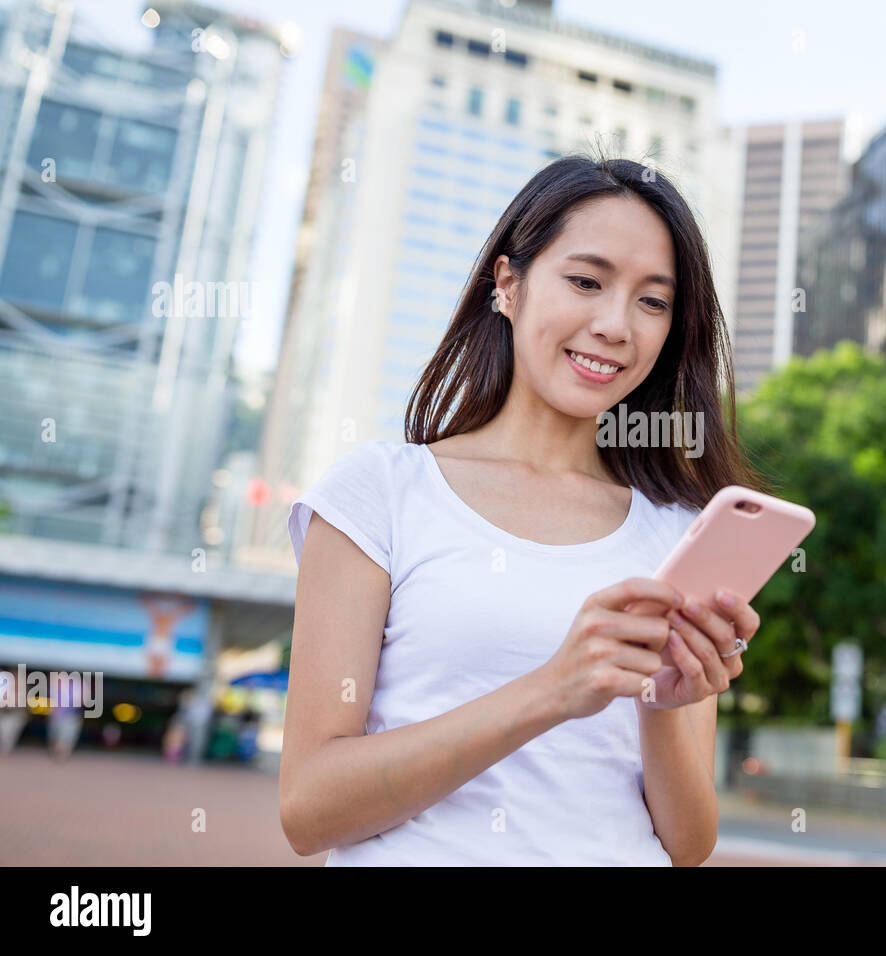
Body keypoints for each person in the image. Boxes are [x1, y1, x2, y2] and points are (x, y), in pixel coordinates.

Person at [279, 153, 771, 866]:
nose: (615, 324)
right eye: (585, 281)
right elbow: (307, 811)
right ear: (508, 285)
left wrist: (663, 702)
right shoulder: (381, 491)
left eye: (653, 301)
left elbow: (688, 846)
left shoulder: (675, 531)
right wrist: (552, 690)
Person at [47, 671, 83, 761]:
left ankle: (63, 753)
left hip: (71, 715)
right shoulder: (55, 686)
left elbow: (81, 699)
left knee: (66, 736)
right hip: (57, 715)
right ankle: (58, 751)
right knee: (55, 736)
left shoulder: (77, 685)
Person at [0, 664, 28, 754]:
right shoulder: (6, 685)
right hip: (6, 713)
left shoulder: (24, 688)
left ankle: (6, 748)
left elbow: (25, 705)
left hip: (17, 715)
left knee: (9, 733)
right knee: (4, 731)